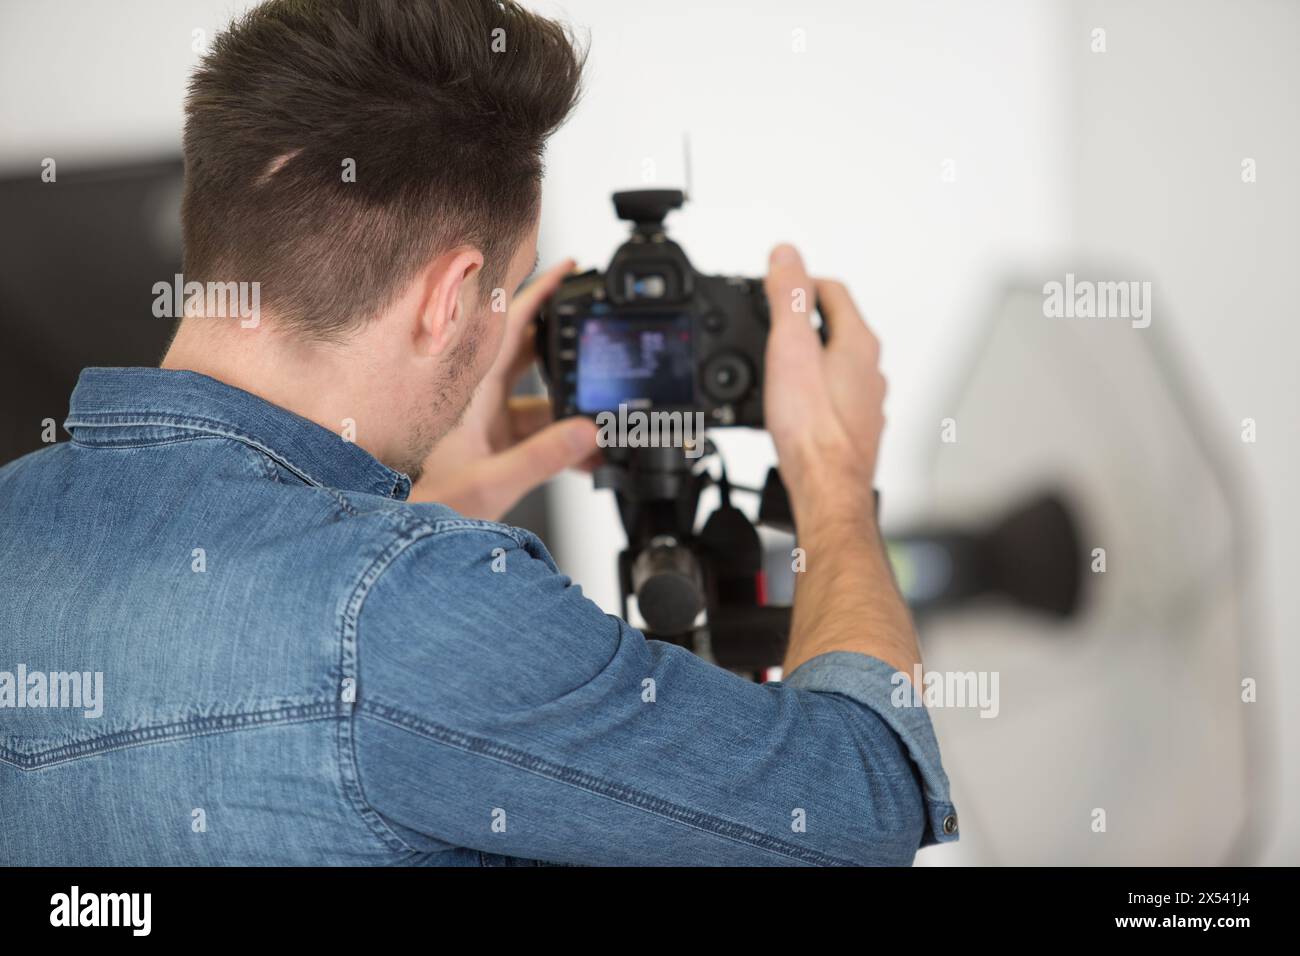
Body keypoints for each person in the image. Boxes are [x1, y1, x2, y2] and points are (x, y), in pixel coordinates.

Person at [0, 0, 956, 866]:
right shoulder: (416, 604)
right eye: (512, 285)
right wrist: (831, 471)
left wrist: (415, 511)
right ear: (452, 296)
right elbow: (862, 802)